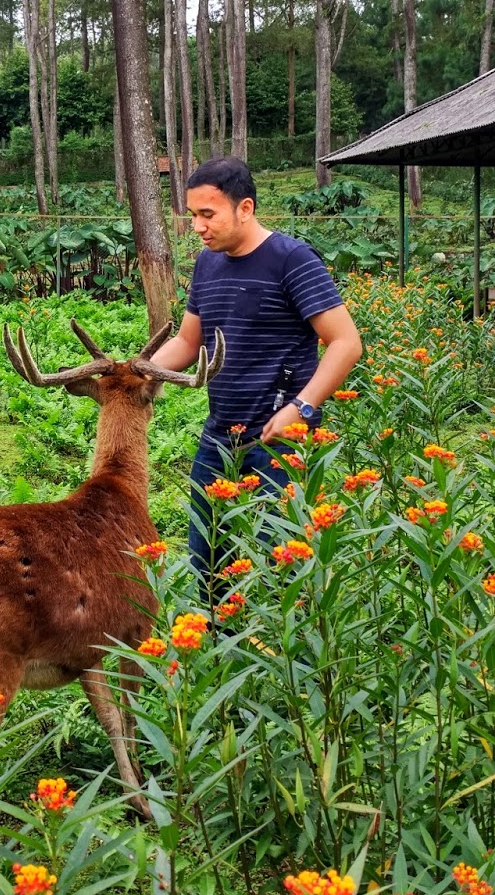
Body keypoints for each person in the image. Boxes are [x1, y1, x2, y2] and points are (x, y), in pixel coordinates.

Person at [148, 157, 363, 580]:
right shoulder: (208, 264)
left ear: (244, 208)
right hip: (219, 440)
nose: (197, 227)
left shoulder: (292, 260)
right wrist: (136, 370)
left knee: (277, 572)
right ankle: (217, 641)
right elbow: (189, 343)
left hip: (278, 445)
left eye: (207, 214)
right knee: (208, 565)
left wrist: (301, 408)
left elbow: (346, 343)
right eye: (193, 215)